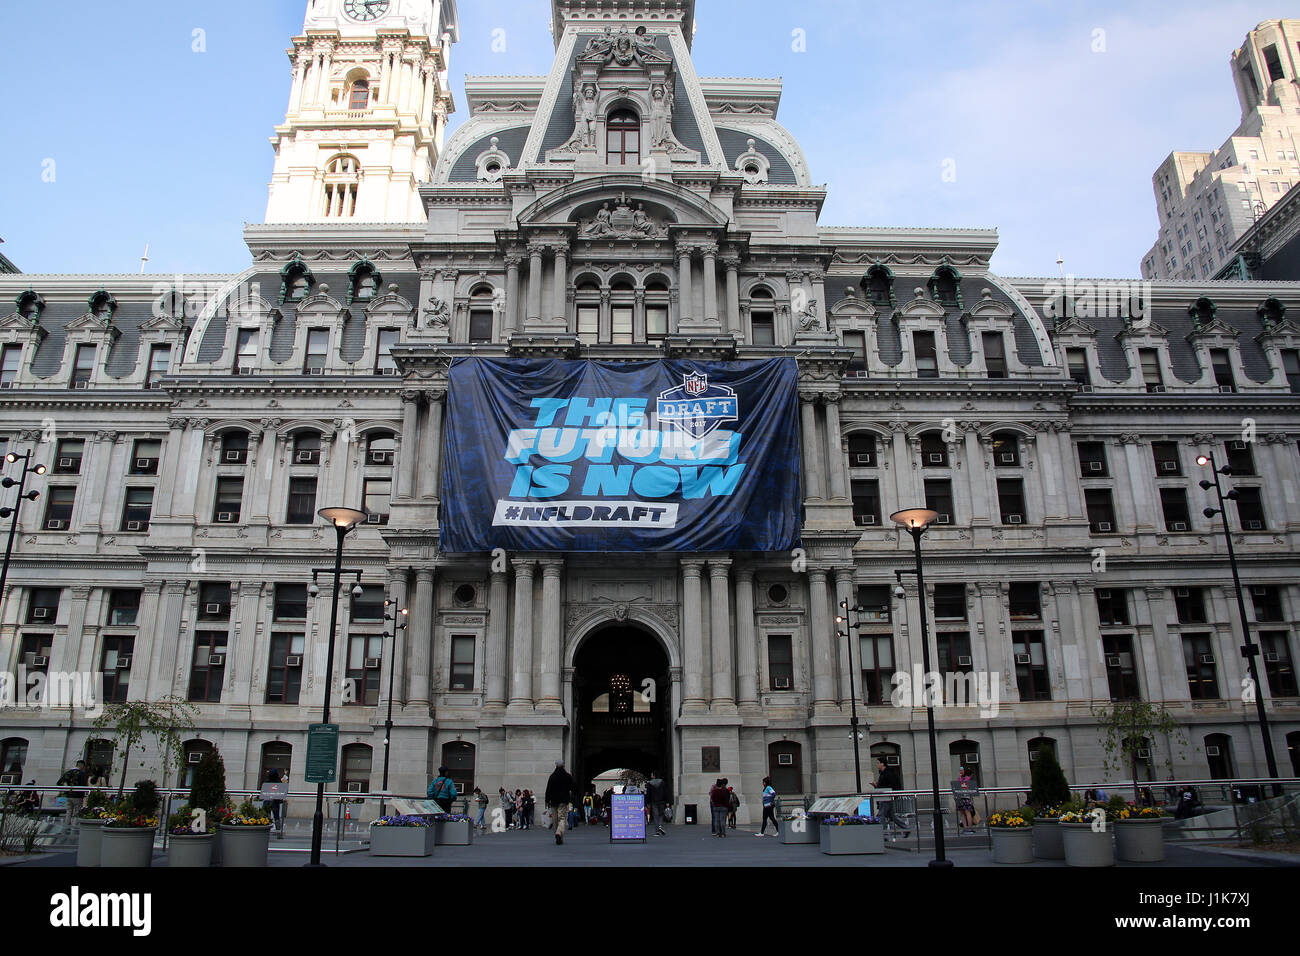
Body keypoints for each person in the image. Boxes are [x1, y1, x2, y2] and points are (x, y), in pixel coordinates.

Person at [545, 759, 576, 845]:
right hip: (563, 800)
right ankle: (559, 833)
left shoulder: (552, 776)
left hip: (554, 800)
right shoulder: (567, 776)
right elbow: (573, 787)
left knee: (555, 819)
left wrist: (547, 800)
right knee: (562, 818)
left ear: (556, 765)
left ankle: (557, 834)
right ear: (563, 766)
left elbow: (548, 789)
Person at [646, 770, 671, 837]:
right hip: (662, 801)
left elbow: (648, 794)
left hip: (654, 802)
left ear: (654, 776)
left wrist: (647, 802)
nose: (651, 776)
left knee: (655, 816)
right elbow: (666, 792)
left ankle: (657, 831)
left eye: (651, 775)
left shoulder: (649, 784)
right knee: (661, 815)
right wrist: (668, 801)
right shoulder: (662, 782)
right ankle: (660, 826)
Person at [955, 768, 976, 833]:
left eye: (962, 770)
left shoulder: (967, 778)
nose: (960, 771)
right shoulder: (959, 778)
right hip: (960, 797)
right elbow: (957, 785)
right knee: (962, 813)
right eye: (960, 770)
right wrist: (960, 777)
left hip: (966, 797)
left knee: (967, 812)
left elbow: (965, 784)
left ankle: (969, 827)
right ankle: (965, 827)